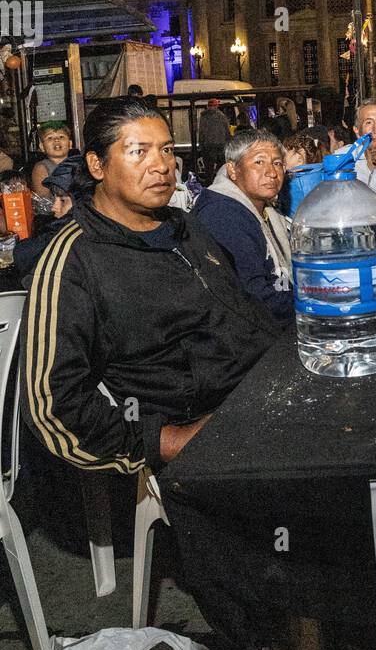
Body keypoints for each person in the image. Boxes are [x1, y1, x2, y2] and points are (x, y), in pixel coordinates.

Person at [19, 97, 282, 474]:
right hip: (210, 437)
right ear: (97, 165)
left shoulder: (185, 227)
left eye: (166, 149)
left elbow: (244, 312)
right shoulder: (74, 260)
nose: (161, 166)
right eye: (138, 152)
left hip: (264, 394)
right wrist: (172, 440)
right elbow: (52, 409)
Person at [195, 130, 294, 323]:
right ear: (232, 170)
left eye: (277, 163)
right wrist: (314, 305)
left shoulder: (266, 209)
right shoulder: (222, 214)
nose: (272, 172)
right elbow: (255, 298)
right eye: (259, 162)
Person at [29, 123, 74, 197]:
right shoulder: (41, 168)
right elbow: (44, 201)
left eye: (61, 137)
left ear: (70, 144)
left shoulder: (79, 164)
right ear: (42, 146)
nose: (56, 140)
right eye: (50, 138)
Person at [197, 98, 231, 184]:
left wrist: (201, 144)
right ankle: (220, 183)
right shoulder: (222, 116)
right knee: (221, 168)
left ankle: (209, 185)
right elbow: (227, 132)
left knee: (209, 170)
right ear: (217, 106)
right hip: (220, 146)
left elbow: (201, 132)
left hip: (207, 146)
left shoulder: (203, 116)